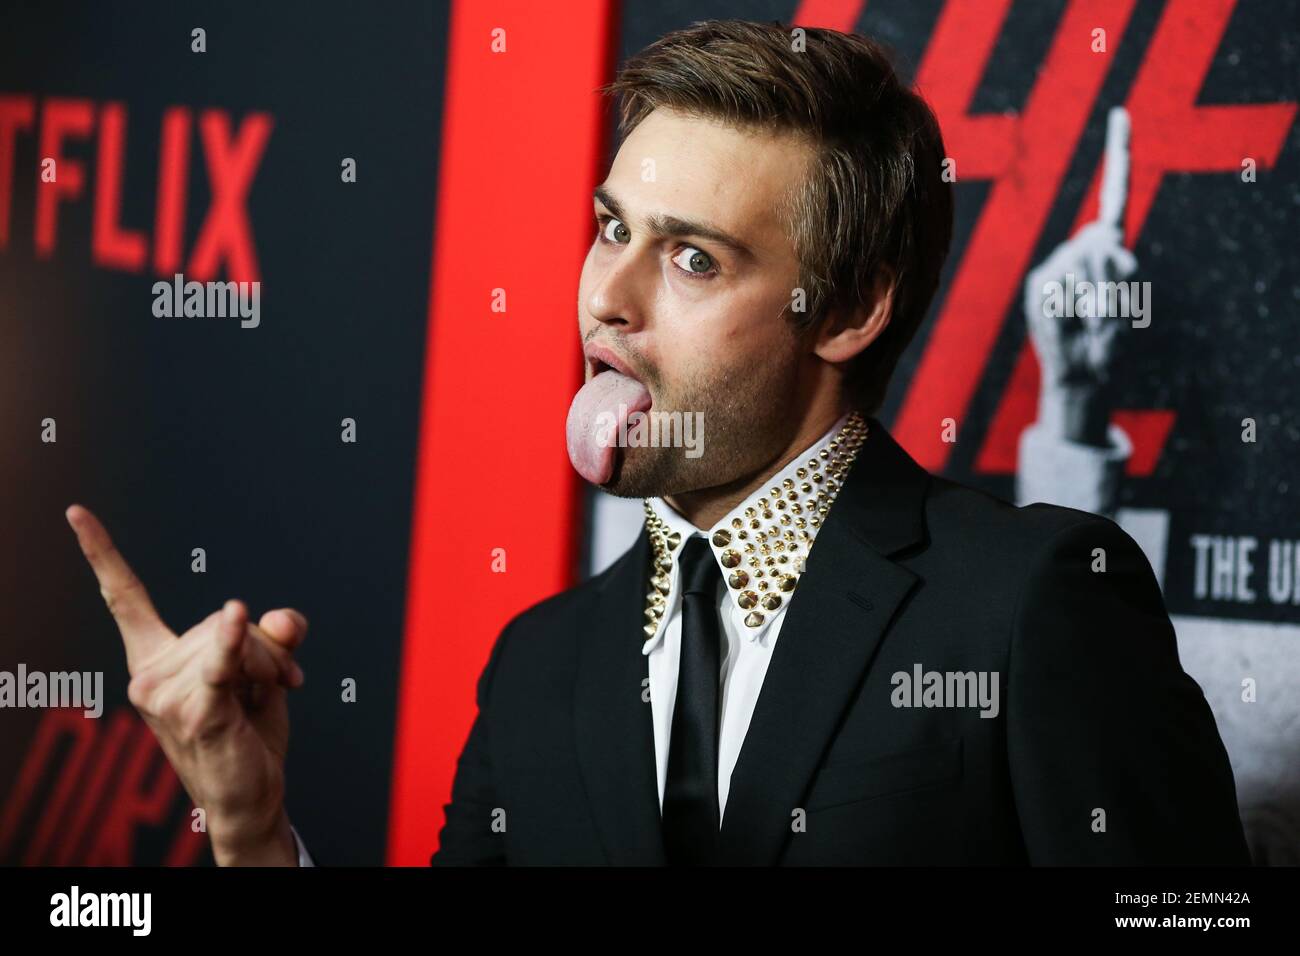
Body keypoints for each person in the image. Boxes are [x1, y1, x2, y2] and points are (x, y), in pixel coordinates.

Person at [67, 19, 1249, 866]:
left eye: (692, 257)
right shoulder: (540, 663)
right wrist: (250, 825)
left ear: (845, 311)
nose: (605, 298)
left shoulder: (1031, 600)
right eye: (608, 229)